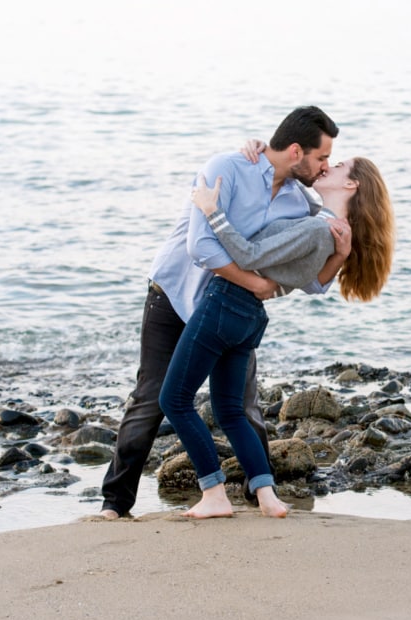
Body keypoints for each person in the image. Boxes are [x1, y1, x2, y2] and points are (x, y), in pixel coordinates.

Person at [97, 106, 344, 519]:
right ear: (297, 151)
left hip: (225, 307)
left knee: (241, 403)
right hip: (176, 293)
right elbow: (202, 248)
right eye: (321, 158)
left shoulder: (301, 206)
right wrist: (258, 285)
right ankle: (114, 504)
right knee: (151, 399)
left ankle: (261, 494)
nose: (324, 167)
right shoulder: (225, 168)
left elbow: (308, 276)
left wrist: (341, 253)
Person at [158, 157, 395, 518]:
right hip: (249, 317)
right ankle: (267, 497)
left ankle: (214, 493)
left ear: (352, 185)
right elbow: (304, 283)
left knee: (174, 400)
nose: (330, 165)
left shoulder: (318, 230)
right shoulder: (330, 229)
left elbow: (249, 254)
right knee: (231, 412)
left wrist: (211, 210)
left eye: (340, 164)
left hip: (225, 303)